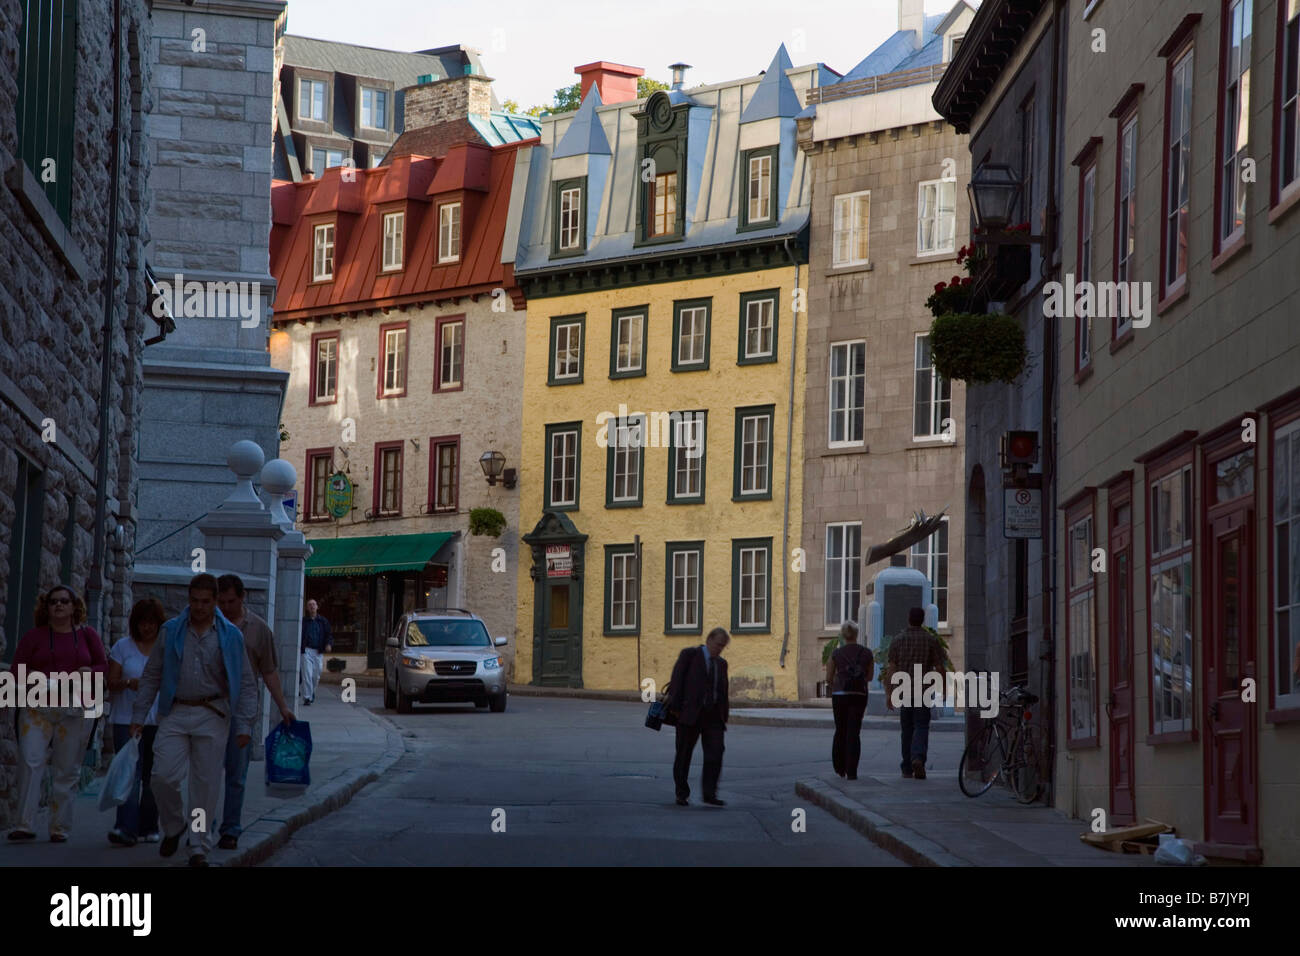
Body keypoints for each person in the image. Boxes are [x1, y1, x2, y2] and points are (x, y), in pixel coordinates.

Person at [130, 573, 257, 867]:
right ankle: (174, 826)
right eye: (194, 601)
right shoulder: (171, 631)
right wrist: (139, 715)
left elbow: (247, 683)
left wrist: (245, 725)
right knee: (161, 776)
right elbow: (152, 675)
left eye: (205, 602)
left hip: (213, 713)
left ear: (214, 603)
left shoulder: (231, 636)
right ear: (189, 600)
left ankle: (198, 845)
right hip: (175, 711)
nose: (199, 607)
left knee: (205, 785)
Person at [8, 585, 108, 842]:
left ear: (75, 606)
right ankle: (24, 823)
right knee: (31, 762)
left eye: (65, 601)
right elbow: (17, 669)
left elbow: (102, 666)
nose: (59, 606)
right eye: (53, 602)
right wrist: (32, 677)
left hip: (74, 708)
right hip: (37, 706)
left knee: (67, 768)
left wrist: (89, 673)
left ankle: (59, 827)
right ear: (47, 607)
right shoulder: (34, 637)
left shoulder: (88, 636)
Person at [216, 574, 295, 850]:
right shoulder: (209, 626)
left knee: (236, 773)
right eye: (221, 602)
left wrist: (283, 706)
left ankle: (230, 828)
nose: (225, 607)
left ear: (242, 598)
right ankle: (201, 828)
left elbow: (269, 671)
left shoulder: (259, 630)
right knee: (206, 774)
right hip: (210, 707)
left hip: (242, 710)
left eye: (231, 601)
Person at [106, 598, 166, 846]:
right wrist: (129, 683)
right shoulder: (123, 647)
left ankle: (149, 825)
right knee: (129, 772)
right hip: (125, 719)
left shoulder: (166, 649)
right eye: (142, 623)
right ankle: (125, 827)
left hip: (158, 720)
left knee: (154, 777)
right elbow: (111, 683)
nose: (147, 628)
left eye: (152, 623)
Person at [667, 627, 730, 807]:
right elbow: (677, 681)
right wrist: (676, 709)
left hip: (713, 717)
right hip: (690, 715)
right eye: (718, 645)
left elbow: (723, 691)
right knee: (684, 755)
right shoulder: (689, 656)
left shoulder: (721, 664)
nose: (719, 649)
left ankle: (709, 794)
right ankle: (682, 793)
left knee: (715, 753)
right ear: (709, 640)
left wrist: (724, 715)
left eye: (723, 646)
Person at [886, 607, 945, 780]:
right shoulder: (931, 640)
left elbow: (892, 668)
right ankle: (918, 758)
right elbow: (940, 667)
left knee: (907, 729)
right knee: (921, 726)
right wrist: (941, 688)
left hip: (904, 690)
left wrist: (889, 693)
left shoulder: (898, 640)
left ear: (909, 619)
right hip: (924, 690)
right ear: (923, 620)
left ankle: (906, 767)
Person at [826, 620, 874, 780]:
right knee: (854, 732)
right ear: (856, 634)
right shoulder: (867, 653)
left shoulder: (836, 654)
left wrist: (837, 684)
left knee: (840, 730)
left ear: (843, 635)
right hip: (859, 695)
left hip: (840, 695)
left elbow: (828, 677)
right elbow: (870, 677)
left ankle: (839, 767)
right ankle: (852, 771)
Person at [299, 598, 331, 706]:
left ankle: (312, 692)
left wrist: (328, 644)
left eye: (314, 604)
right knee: (307, 673)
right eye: (310, 605)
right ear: (307, 608)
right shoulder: (303, 622)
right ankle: (307, 697)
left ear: (317, 607)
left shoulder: (323, 621)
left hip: (318, 651)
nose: (312, 606)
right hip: (306, 650)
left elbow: (328, 635)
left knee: (316, 675)